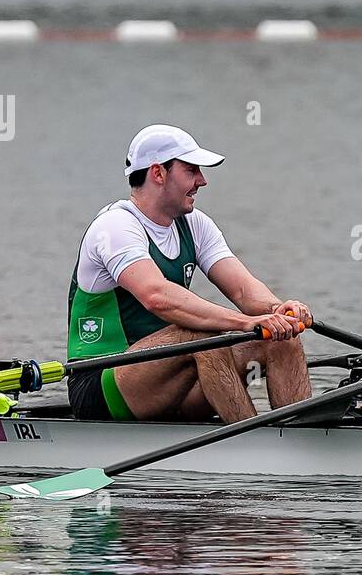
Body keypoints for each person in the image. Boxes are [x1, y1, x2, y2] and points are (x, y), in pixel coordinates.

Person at [66, 124, 312, 423]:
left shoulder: (195, 225)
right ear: (158, 173)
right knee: (196, 332)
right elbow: (157, 297)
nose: (202, 181)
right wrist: (246, 322)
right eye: (191, 170)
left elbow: (243, 291)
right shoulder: (115, 227)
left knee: (280, 336)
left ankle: (302, 439)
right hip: (102, 384)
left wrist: (278, 311)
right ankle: (254, 444)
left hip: (172, 378)